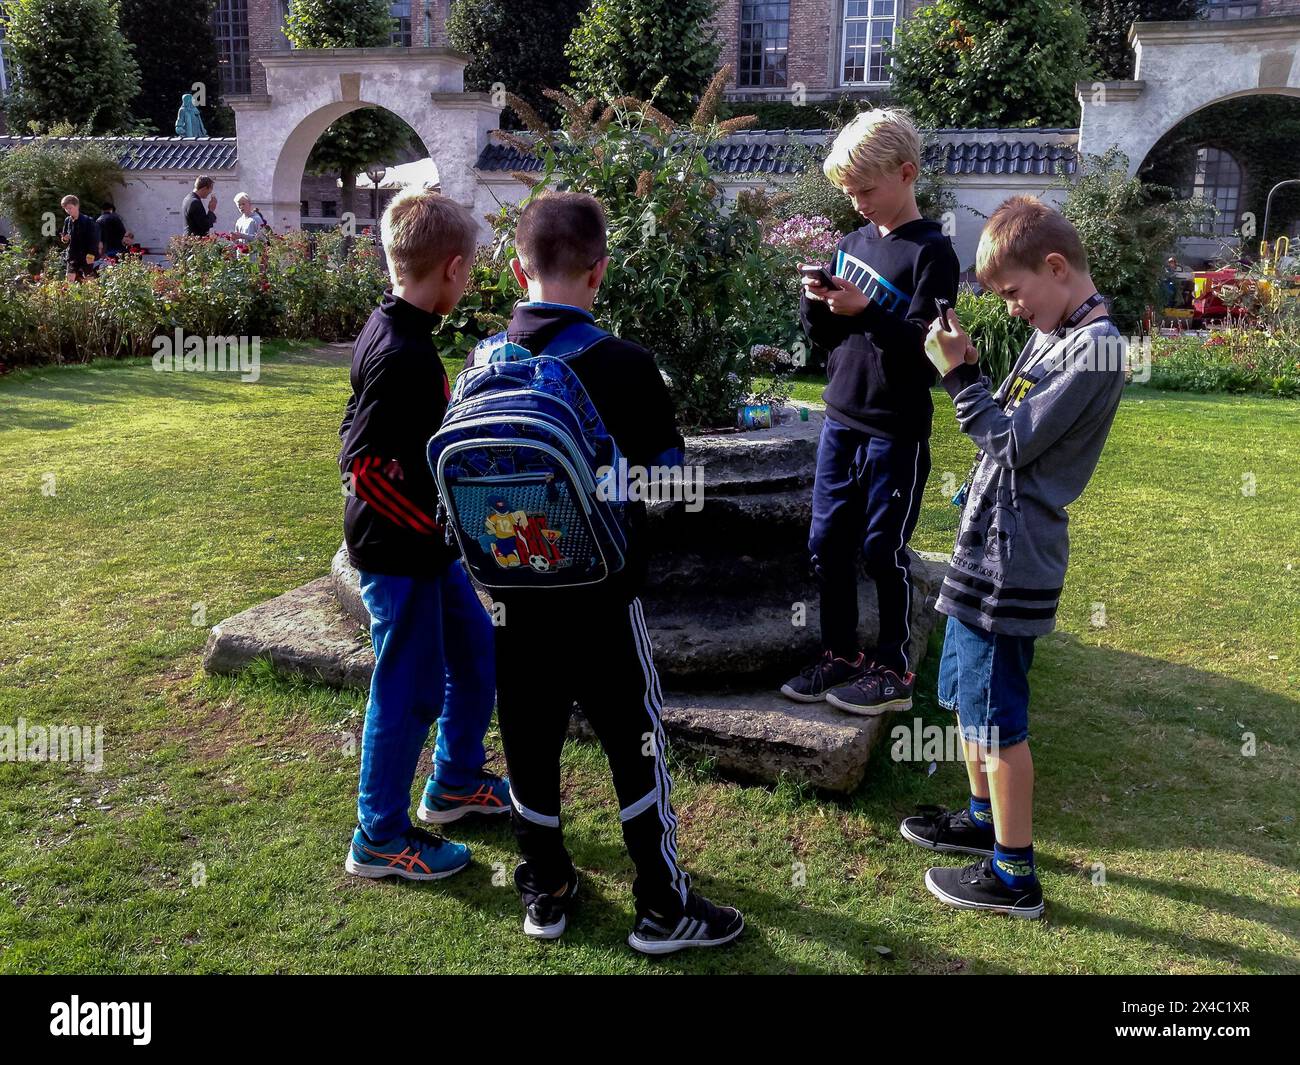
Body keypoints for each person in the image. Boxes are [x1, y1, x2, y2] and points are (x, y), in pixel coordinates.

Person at [466, 191, 744, 954]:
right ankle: (661, 906)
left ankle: (546, 889)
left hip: (512, 600)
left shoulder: (483, 361)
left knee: (526, 739)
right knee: (635, 742)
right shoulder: (624, 364)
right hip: (603, 602)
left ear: (516, 267)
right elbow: (667, 485)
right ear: (601, 272)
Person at [899, 196, 1126, 919]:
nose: (1013, 308)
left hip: (1014, 555)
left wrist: (957, 377)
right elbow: (1007, 413)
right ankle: (981, 820)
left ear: (1055, 267)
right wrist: (968, 366)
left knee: (999, 716)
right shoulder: (1057, 331)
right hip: (983, 539)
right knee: (969, 698)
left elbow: (1012, 440)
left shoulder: (1096, 346)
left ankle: (1014, 873)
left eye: (1014, 293)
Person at [338, 188, 509, 883]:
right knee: (407, 689)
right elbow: (363, 468)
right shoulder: (399, 353)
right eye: (469, 272)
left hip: (425, 549)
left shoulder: (401, 330)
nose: (468, 282)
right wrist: (440, 527)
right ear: (453, 268)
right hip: (396, 554)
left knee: (475, 654)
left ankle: (455, 781)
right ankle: (378, 835)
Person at [780, 108, 960, 714]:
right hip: (841, 419)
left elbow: (926, 356)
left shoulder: (932, 253)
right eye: (848, 192)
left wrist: (867, 312)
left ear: (906, 173)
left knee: (882, 549)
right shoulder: (851, 244)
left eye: (865, 190)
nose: (856, 202)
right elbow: (829, 342)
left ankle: (893, 669)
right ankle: (839, 654)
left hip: (896, 429)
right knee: (827, 543)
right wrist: (818, 306)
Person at [59, 195, 99, 282]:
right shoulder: (67, 220)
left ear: (77, 206)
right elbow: (65, 238)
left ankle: (94, 294)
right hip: (72, 254)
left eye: (70, 208)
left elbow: (94, 240)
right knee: (69, 279)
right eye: (66, 209)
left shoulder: (88, 221)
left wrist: (91, 255)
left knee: (89, 279)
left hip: (86, 254)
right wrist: (65, 239)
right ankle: (69, 295)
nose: (68, 211)